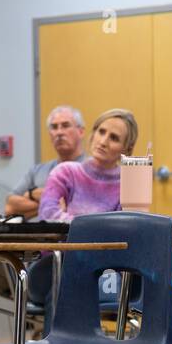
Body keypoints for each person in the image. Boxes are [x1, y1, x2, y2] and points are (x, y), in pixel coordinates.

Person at [29, 108, 139, 311]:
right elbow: (48, 215)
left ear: (126, 148)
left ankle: (65, 343)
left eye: (114, 138)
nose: (104, 141)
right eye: (101, 132)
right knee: (66, 279)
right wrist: (97, 227)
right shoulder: (66, 172)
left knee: (75, 284)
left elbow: (122, 232)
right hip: (52, 265)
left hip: (103, 270)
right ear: (93, 133)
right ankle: (62, 343)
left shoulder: (128, 184)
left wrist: (73, 221)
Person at [5, 105, 86, 220]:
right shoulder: (37, 171)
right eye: (54, 127)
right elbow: (10, 207)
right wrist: (44, 197)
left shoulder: (93, 170)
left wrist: (31, 196)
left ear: (81, 131)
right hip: (40, 236)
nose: (59, 132)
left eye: (65, 125)